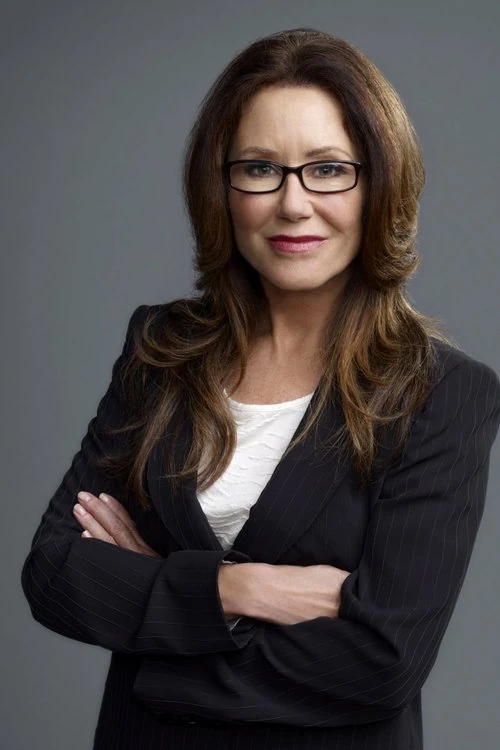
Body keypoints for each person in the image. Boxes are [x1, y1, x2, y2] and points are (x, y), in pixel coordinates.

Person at [21, 27, 500, 750]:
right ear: (221, 187)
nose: (293, 204)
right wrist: (237, 589)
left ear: (380, 185)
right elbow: (55, 573)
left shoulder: (441, 393)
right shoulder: (160, 349)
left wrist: (156, 618)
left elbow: (381, 663)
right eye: (259, 169)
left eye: (329, 169)